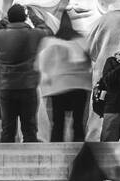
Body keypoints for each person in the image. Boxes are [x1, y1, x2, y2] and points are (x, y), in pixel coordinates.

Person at [0, 3, 52, 143]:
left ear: (10, 18)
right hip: (27, 87)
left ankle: (4, 162)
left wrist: (5, 19)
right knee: (29, 131)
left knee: (7, 130)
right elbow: (47, 31)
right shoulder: (33, 35)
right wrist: (34, 16)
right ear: (25, 18)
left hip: (6, 88)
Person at [38, 10, 92, 142]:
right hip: (79, 86)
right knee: (78, 122)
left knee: (58, 123)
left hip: (58, 87)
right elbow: (88, 62)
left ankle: (56, 153)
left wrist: (47, 80)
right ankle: (79, 152)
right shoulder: (80, 40)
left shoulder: (50, 41)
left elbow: (43, 63)